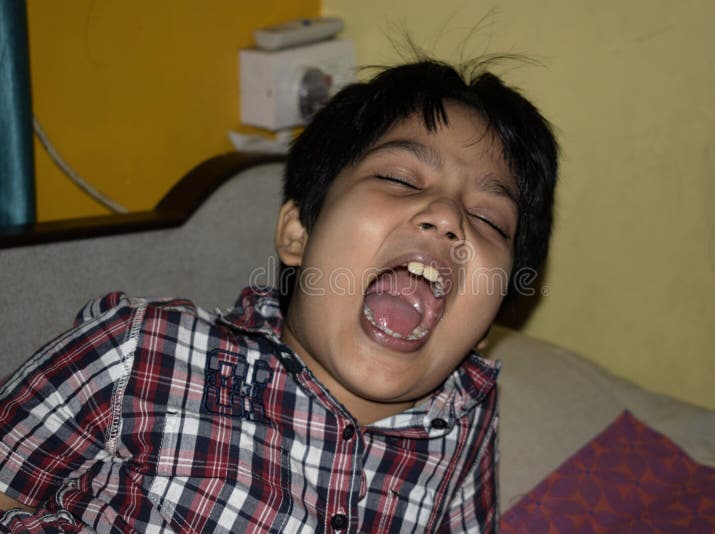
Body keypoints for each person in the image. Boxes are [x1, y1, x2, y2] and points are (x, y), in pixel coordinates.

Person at [0, 58, 557, 532]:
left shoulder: (465, 423)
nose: (446, 217)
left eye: (488, 217)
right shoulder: (142, 353)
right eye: (402, 180)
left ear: (489, 319)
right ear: (298, 233)